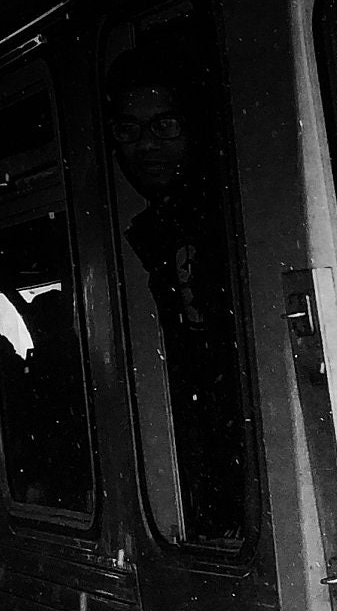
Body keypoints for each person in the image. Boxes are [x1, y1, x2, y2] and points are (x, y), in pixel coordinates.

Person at [104, 35, 246, 541]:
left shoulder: (233, 215)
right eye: (128, 129)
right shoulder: (161, 230)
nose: (145, 145)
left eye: (164, 125)